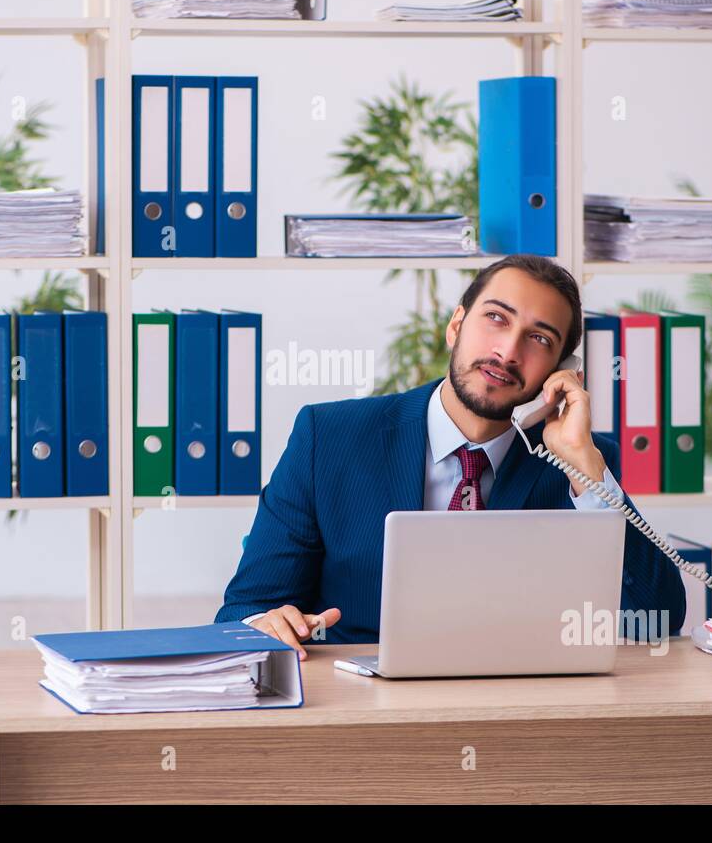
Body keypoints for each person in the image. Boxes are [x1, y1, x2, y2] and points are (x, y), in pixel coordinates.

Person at [214, 254, 686, 656]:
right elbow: (243, 610)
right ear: (456, 325)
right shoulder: (329, 436)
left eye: (539, 339)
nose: (507, 351)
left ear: (563, 369)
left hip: (520, 713)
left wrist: (586, 471)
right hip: (362, 709)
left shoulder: (579, 460)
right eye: (496, 319)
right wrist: (268, 624)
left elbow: (657, 620)